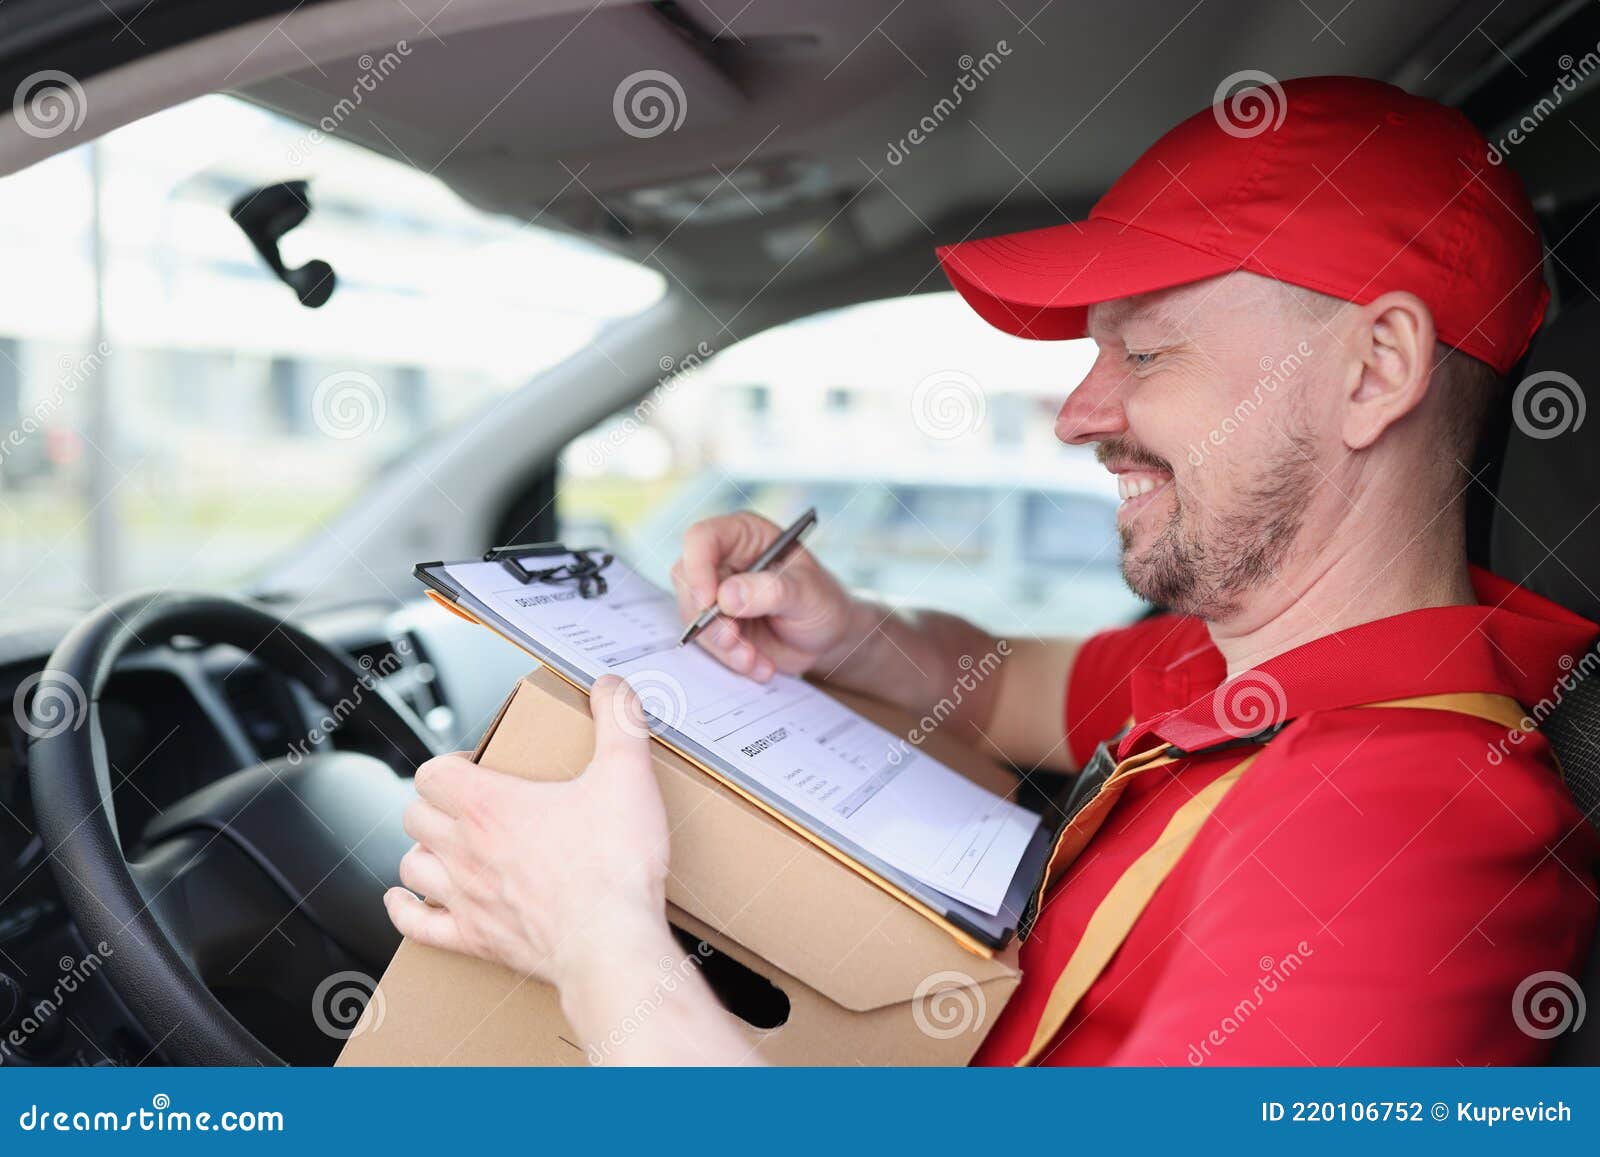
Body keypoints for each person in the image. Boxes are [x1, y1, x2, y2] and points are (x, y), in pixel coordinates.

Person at [385, 76, 1599, 1065]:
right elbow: (1011, 687)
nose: (1078, 413)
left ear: (1374, 369)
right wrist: (849, 631)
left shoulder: (1401, 828)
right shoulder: (1262, 665)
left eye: (1148, 349)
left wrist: (596, 941)